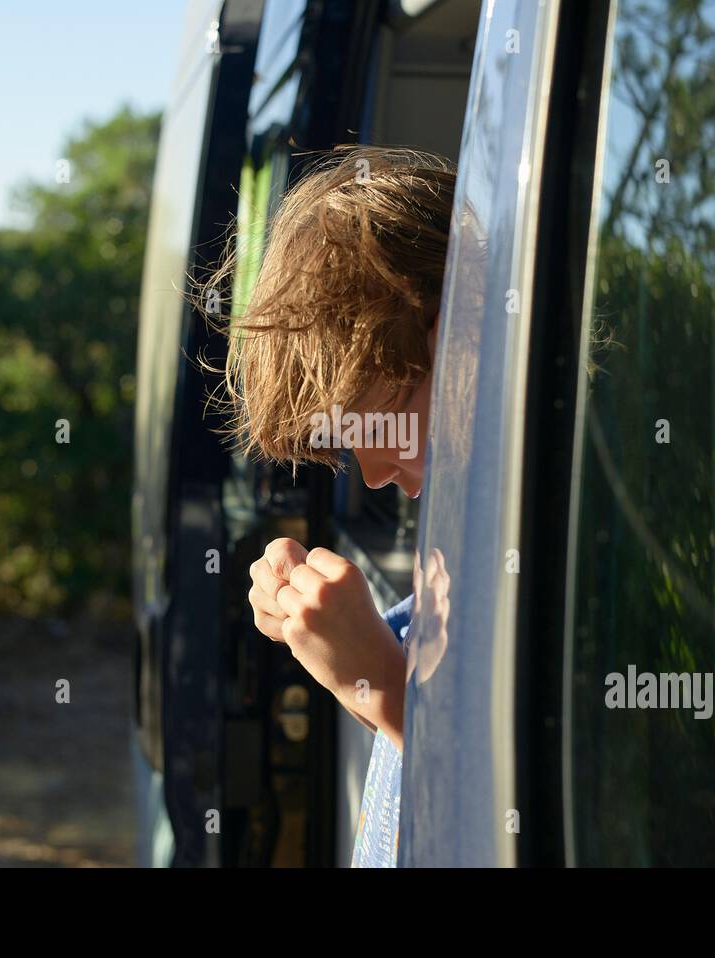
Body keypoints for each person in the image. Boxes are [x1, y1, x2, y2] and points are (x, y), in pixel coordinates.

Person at [203, 144, 455, 867]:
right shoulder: (459, 539)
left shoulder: (548, 542)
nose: (372, 471)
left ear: (453, 338)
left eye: (381, 420)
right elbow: (421, 735)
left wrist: (372, 679)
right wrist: (333, 648)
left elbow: (499, 799)